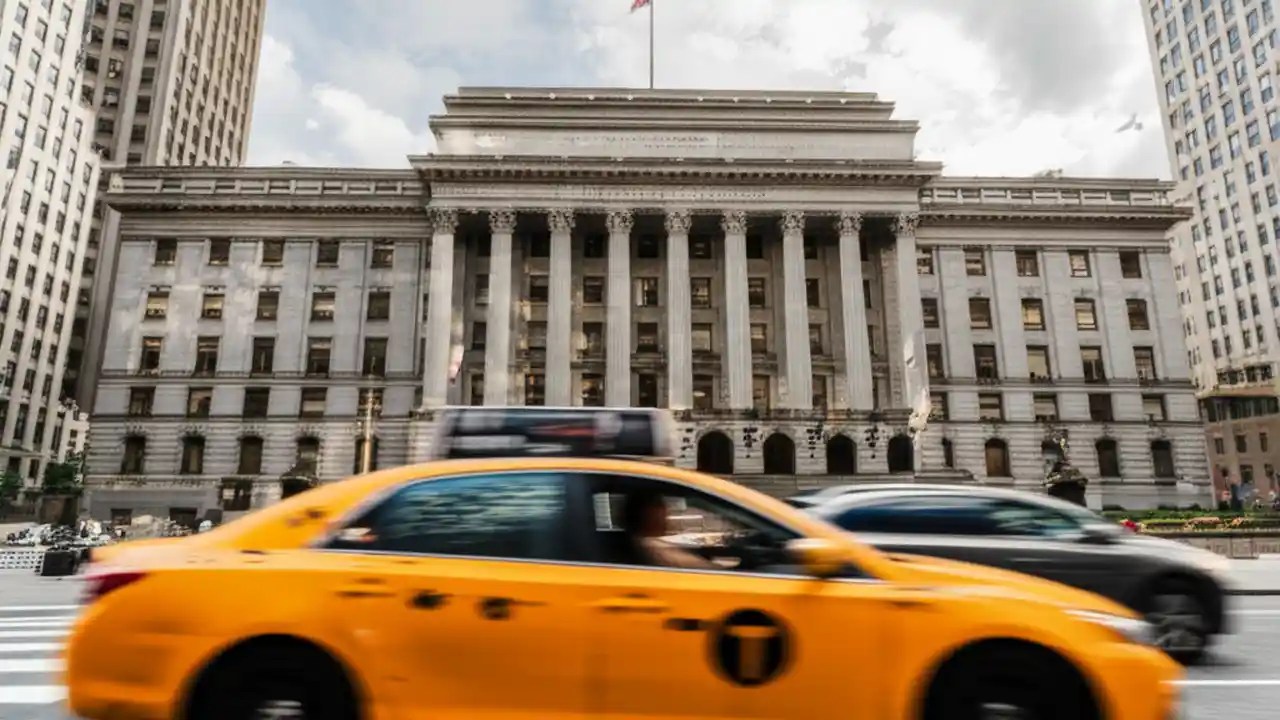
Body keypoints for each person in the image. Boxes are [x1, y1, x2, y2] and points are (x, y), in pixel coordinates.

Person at [621, 489, 716, 570]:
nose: (667, 516)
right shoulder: (651, 545)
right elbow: (694, 564)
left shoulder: (637, 543)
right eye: (661, 509)